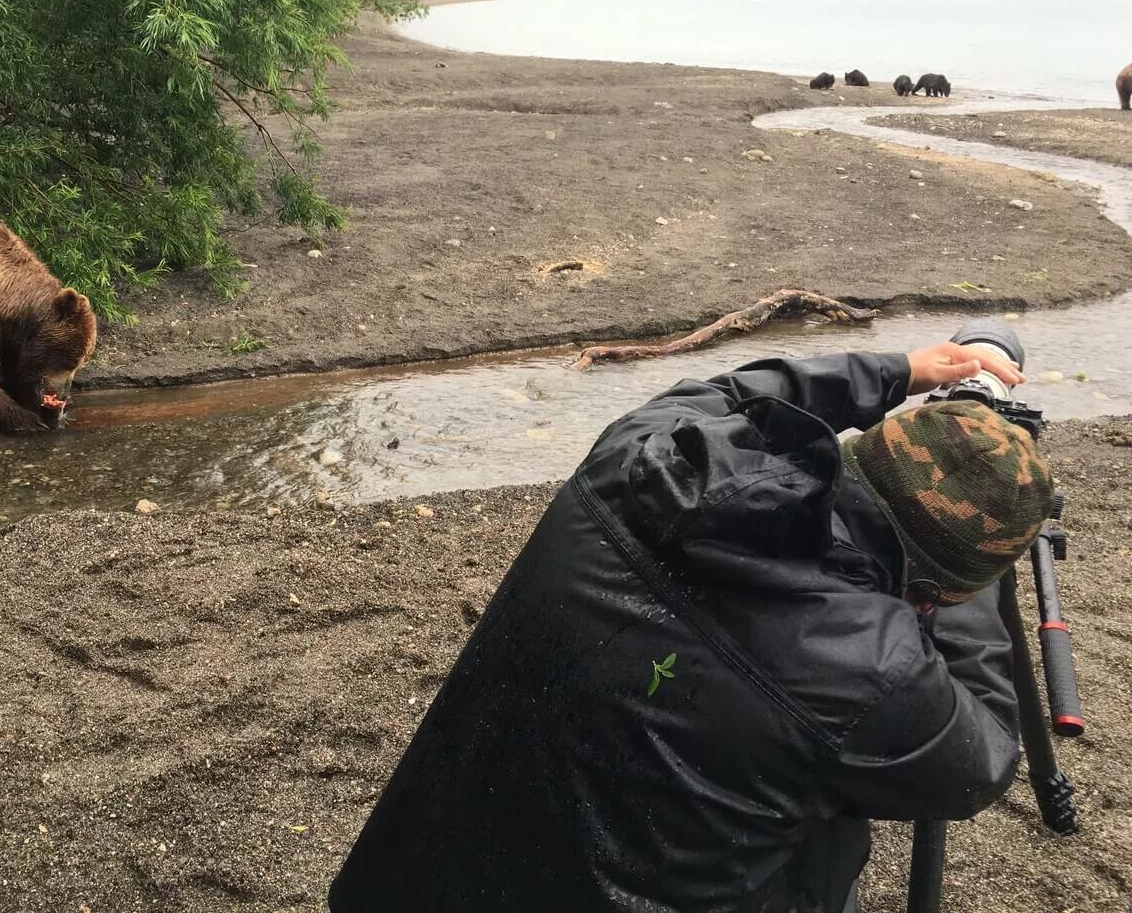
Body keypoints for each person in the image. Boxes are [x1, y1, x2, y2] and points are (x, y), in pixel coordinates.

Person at [328, 342, 1054, 913]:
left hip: (411, 880)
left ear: (858, 452)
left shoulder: (641, 458)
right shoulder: (880, 673)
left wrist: (897, 371)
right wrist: (974, 599)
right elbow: (982, 760)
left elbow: (731, 393)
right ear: (939, 588)